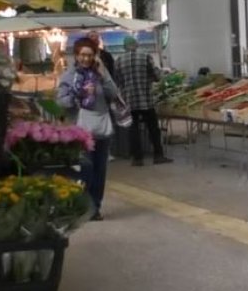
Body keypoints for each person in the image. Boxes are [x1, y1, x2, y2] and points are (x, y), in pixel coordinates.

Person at [56, 37, 121, 221]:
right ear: (76, 55)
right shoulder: (69, 76)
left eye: (90, 55)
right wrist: (80, 94)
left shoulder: (100, 72)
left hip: (101, 129)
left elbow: (114, 93)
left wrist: (103, 74)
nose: (86, 59)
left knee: (100, 170)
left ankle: (95, 207)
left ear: (95, 56)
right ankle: (82, 206)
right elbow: (61, 101)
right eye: (83, 55)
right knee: (86, 169)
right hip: (81, 131)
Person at [115, 36, 172, 166]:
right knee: (153, 128)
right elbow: (157, 76)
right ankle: (158, 155)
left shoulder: (118, 61)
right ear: (136, 44)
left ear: (124, 46)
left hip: (129, 100)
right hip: (146, 99)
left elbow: (117, 82)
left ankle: (137, 158)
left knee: (133, 130)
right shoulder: (146, 57)